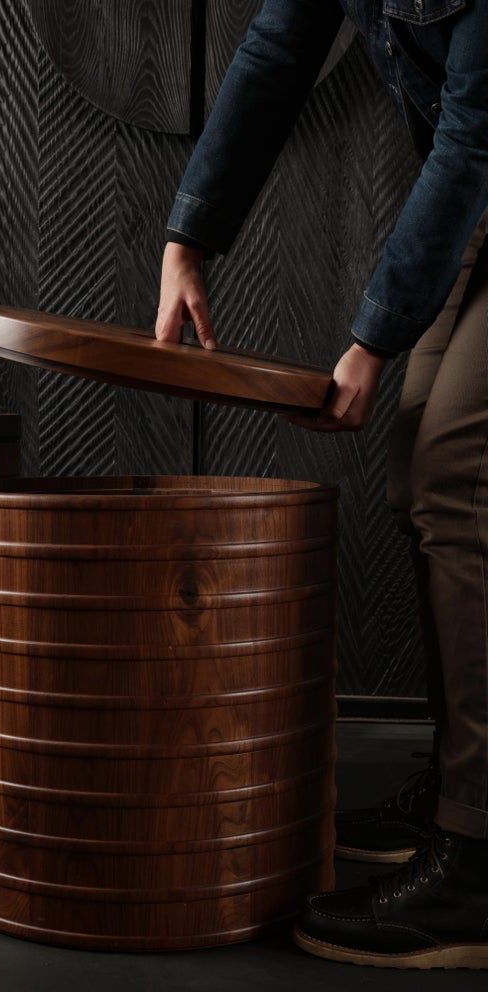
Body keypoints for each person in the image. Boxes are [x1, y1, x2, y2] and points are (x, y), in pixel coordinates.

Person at [155, 0, 488, 970]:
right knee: (420, 477)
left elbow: (468, 138)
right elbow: (276, 50)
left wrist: (370, 343)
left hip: (476, 166)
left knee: (457, 470)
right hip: (478, 191)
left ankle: (477, 859)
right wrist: (190, 237)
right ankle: (460, 789)